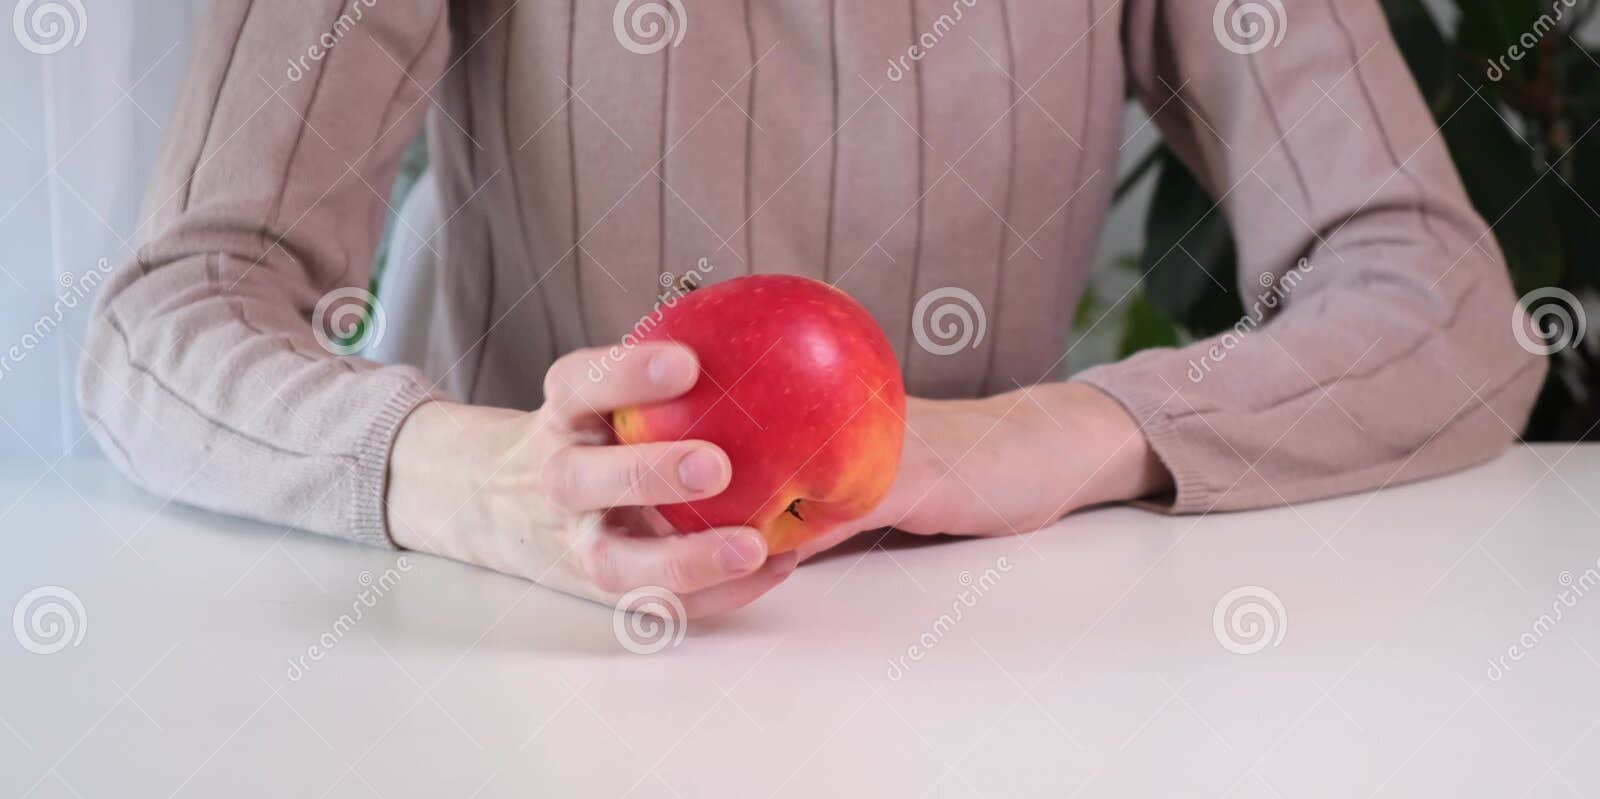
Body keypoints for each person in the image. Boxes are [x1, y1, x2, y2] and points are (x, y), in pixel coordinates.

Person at [80, 0, 1543, 618]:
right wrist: (477, 481)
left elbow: (1443, 301)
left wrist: (1051, 432)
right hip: (518, 655)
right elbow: (168, 321)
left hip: (966, 680)